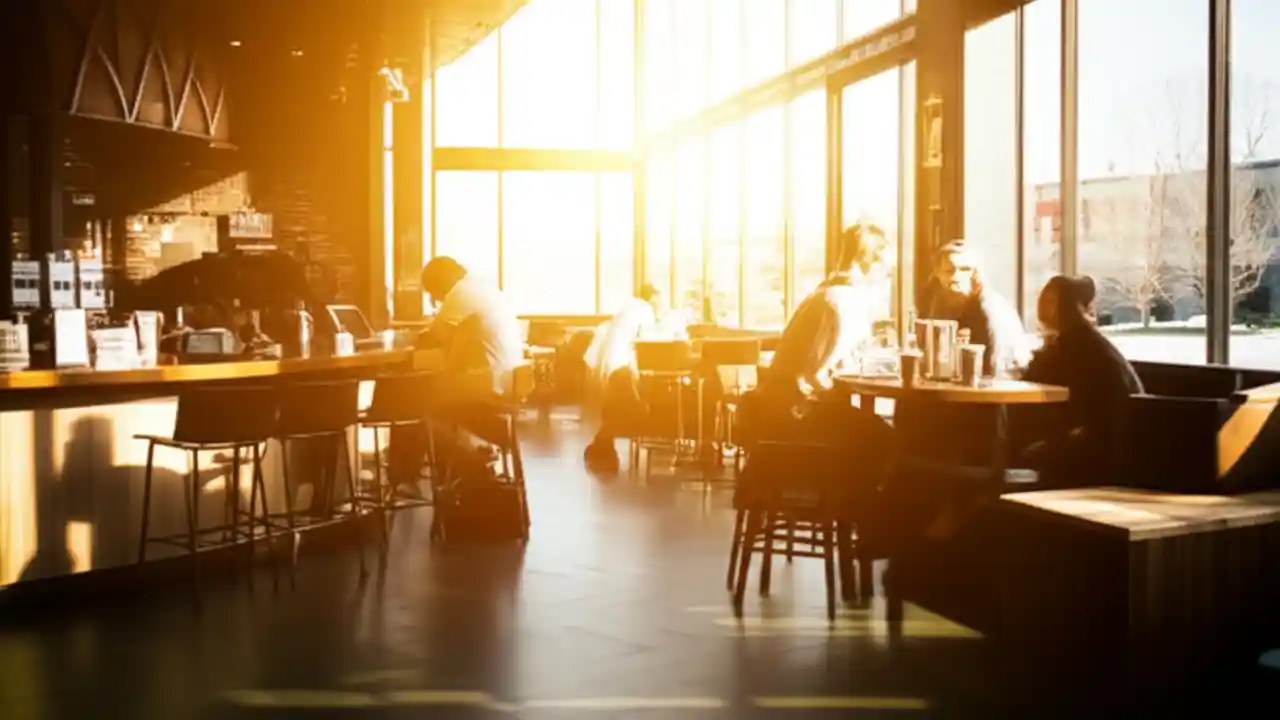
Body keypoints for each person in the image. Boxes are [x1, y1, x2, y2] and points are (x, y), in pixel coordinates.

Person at [1016, 275, 1144, 486]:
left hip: (1100, 448)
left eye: (1051, 302)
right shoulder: (1086, 342)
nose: (1046, 309)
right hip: (1116, 443)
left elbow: (1035, 382)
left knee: (1015, 445)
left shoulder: (1076, 346)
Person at [582, 285, 663, 473]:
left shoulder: (627, 308)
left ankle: (606, 438)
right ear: (651, 298)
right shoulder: (645, 309)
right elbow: (649, 339)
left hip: (611, 365)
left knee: (616, 408)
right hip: (621, 367)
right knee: (630, 408)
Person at [922, 241, 1028, 375]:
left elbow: (1001, 366)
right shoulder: (935, 301)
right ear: (938, 274)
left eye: (965, 270)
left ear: (977, 273)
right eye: (949, 271)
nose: (956, 277)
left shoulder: (992, 309)